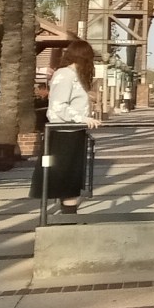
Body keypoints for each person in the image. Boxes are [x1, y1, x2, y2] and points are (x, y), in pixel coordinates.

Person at [30, 39, 97, 216]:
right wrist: (82, 118)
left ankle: (68, 217)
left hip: (72, 134)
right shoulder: (65, 75)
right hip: (64, 135)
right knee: (67, 180)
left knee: (70, 181)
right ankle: (68, 218)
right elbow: (57, 108)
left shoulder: (73, 76)